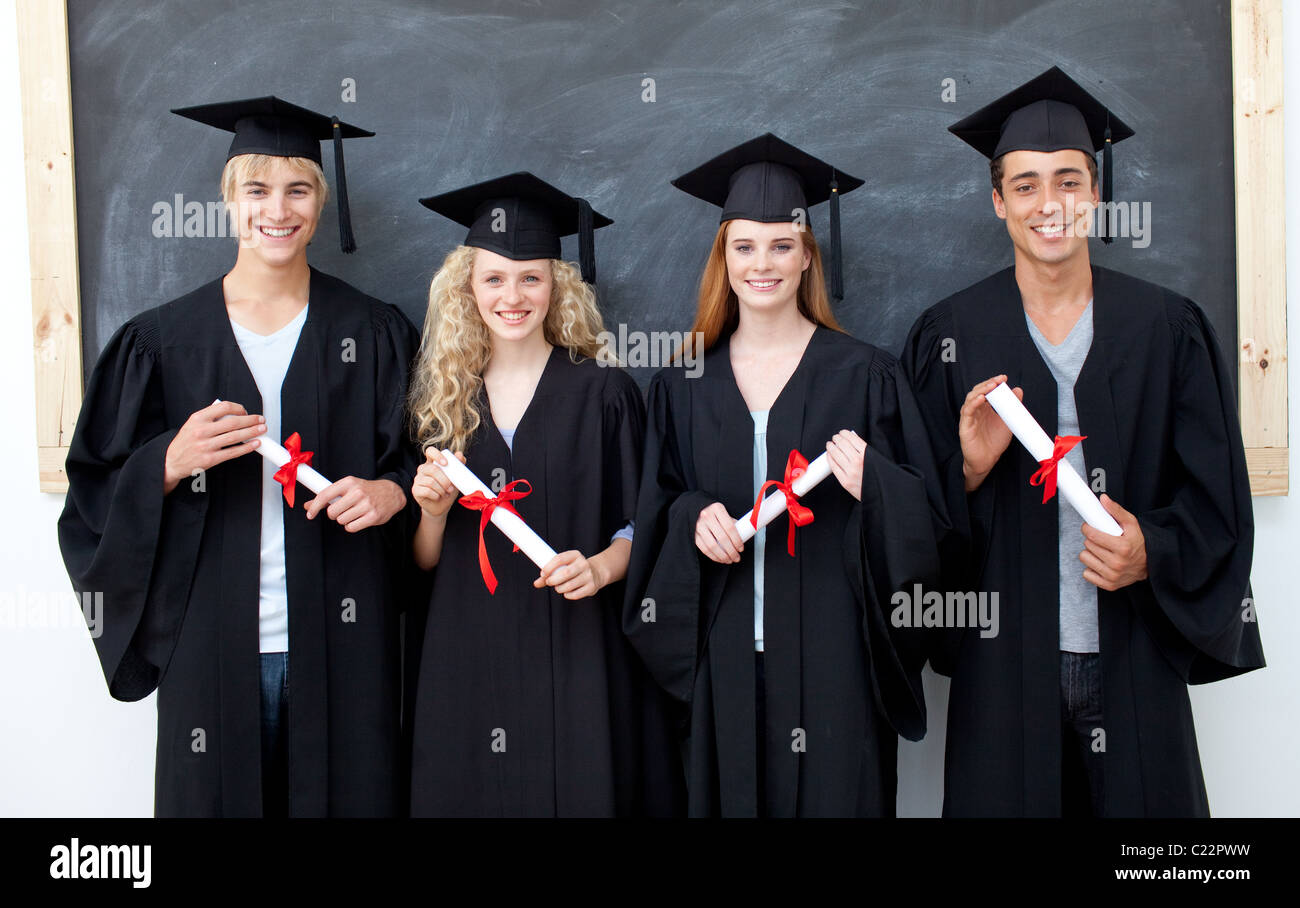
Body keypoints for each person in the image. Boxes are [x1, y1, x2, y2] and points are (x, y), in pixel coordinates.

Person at [901, 66, 1265, 816]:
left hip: (1132, 654)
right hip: (1002, 666)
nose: (1049, 204)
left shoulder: (1167, 330)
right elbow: (903, 519)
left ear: (1096, 195)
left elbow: (1217, 501)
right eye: (1026, 185)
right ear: (998, 201)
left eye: (1068, 181)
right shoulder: (951, 336)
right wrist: (965, 471)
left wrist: (1152, 551)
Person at [58, 96, 421, 817]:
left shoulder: (374, 332)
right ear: (227, 200)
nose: (276, 209)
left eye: (297, 189)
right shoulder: (158, 344)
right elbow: (92, 496)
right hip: (210, 641)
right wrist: (165, 461)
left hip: (348, 642)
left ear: (320, 203)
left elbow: (429, 460)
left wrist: (395, 492)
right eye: (256, 189)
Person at [624, 133, 945, 817]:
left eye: (780, 245)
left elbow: (933, 522)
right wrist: (693, 517)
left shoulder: (868, 375)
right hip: (724, 657)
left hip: (836, 659)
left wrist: (876, 487)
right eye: (744, 247)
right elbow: (657, 510)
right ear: (724, 259)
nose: (761, 263)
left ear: (806, 256)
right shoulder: (683, 384)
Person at [406, 172, 682, 817]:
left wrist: (601, 567)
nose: (513, 295)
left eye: (531, 276)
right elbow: (421, 562)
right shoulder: (441, 406)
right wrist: (432, 512)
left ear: (557, 286)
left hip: (578, 643)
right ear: (466, 289)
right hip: (466, 647)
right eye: (495, 278)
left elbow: (644, 521)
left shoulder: (605, 394)